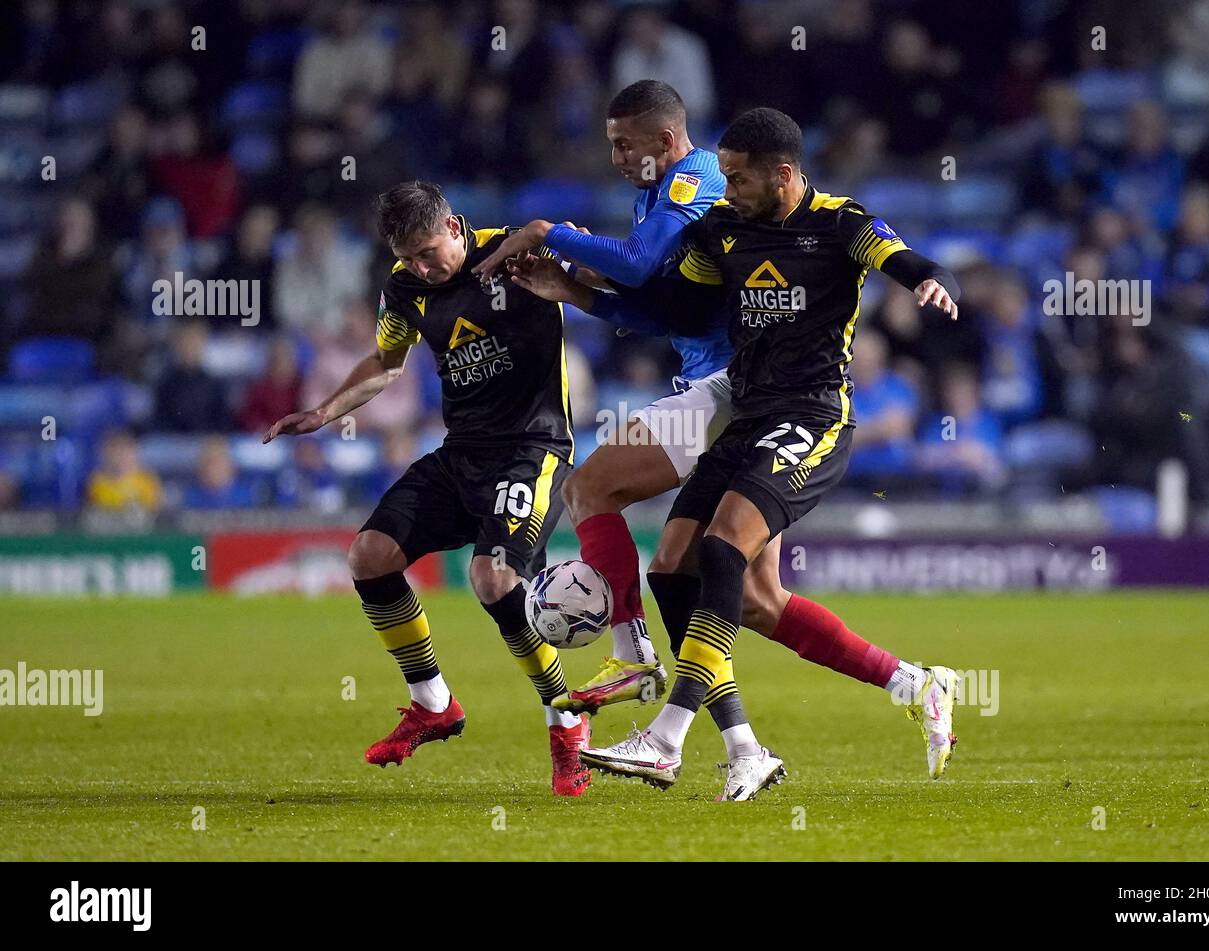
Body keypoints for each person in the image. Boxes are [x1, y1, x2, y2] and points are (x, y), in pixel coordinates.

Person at [512, 109, 963, 799]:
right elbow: (679, 312)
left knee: (723, 553)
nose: (725, 188)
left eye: (737, 177)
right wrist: (579, 291)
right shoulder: (722, 230)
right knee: (679, 572)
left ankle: (666, 738)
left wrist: (930, 282)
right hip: (747, 411)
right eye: (723, 175)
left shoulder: (840, 223)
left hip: (812, 416)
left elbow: (899, 257)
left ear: (782, 175)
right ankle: (910, 682)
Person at [264, 182, 589, 796]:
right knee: (368, 557)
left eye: (427, 250)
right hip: (460, 453)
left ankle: (565, 720)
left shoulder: (519, 255)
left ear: (455, 225)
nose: (419, 265)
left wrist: (568, 285)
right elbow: (387, 363)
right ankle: (433, 702)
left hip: (531, 449)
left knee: (493, 581)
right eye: (407, 255)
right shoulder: (405, 287)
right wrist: (323, 412)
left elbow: (611, 295)